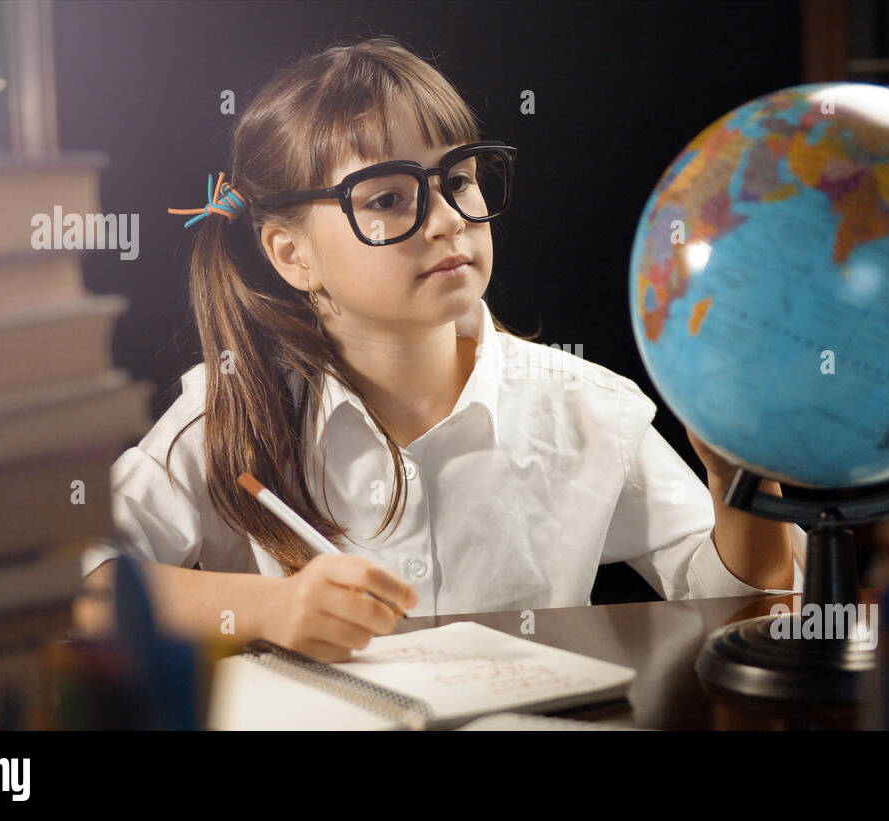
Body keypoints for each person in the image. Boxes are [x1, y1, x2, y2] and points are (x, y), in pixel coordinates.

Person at [80, 35, 805, 662]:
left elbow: (747, 603)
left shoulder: (586, 406)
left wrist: (740, 483)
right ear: (291, 255)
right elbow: (82, 585)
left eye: (458, 179)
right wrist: (269, 608)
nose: (449, 220)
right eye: (388, 198)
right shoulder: (230, 408)